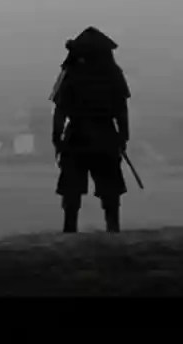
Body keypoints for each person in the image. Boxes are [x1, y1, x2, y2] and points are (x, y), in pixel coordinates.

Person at [51, 27, 130, 233]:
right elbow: (121, 109)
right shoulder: (112, 73)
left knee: (75, 190)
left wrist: (57, 139)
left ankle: (71, 230)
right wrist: (122, 137)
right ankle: (112, 229)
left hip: (77, 138)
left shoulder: (70, 73)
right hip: (103, 136)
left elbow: (60, 110)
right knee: (107, 191)